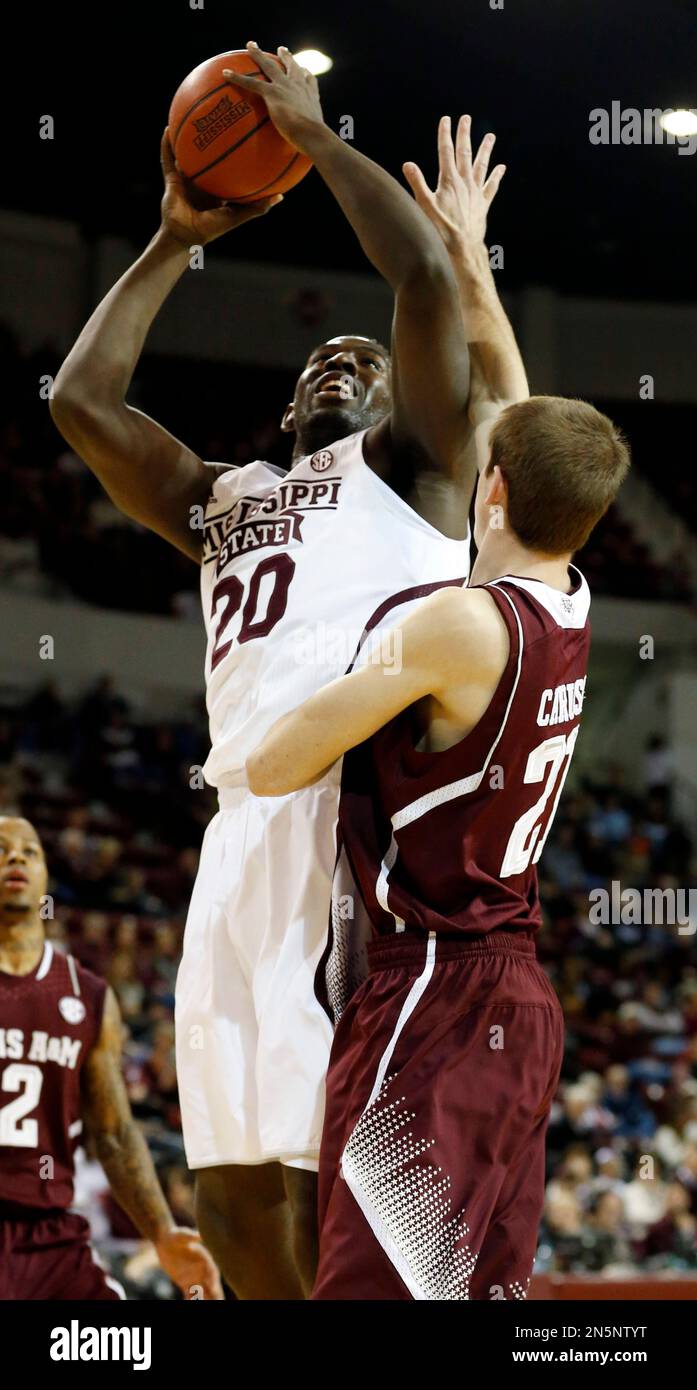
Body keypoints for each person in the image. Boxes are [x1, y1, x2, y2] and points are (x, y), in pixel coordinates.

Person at [49, 40, 525, 1298]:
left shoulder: (414, 472)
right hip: (234, 832)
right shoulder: (223, 498)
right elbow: (82, 404)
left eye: (363, 365)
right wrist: (171, 236)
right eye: (320, 360)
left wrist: (307, 141)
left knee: (336, 1152)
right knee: (231, 1155)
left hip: (345, 819)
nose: (341, 363)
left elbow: (421, 272)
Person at [247, 386, 630, 1299]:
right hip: (519, 1003)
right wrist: (468, 255)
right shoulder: (570, 602)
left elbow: (271, 766)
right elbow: (517, 402)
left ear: (491, 489)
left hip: (431, 991)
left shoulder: (460, 623)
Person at [0, 815, 221, 1301]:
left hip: (48, 1237)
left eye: (29, 851)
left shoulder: (87, 995)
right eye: (1, 850)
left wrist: (162, 1232)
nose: (15, 857)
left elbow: (116, 1134)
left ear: (43, 881)